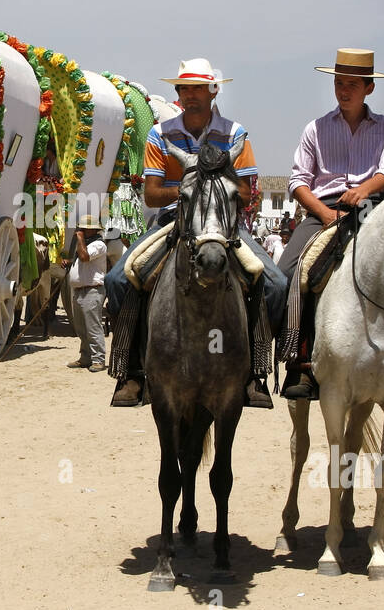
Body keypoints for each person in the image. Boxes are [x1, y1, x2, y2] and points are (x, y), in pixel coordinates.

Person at [104, 58, 286, 408]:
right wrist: (191, 190)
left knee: (276, 284)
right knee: (117, 279)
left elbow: (247, 193)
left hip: (223, 222)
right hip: (173, 220)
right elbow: (152, 193)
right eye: (184, 89)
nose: (190, 95)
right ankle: (133, 372)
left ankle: (254, 372)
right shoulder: (160, 132)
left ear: (213, 91)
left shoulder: (235, 134)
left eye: (197, 88)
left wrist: (213, 191)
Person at [275, 48, 384, 399]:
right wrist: (325, 213)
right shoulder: (315, 128)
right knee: (287, 272)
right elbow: (298, 181)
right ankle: (297, 362)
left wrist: (363, 191)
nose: (343, 91)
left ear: (369, 88)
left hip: (372, 208)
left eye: (351, 84)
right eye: (338, 83)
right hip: (322, 210)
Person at [65, 216, 107, 372]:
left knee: (93, 327)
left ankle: (98, 360)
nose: (80, 231)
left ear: (93, 230)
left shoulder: (98, 244)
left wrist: (80, 239)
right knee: (81, 328)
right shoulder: (85, 245)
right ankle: (85, 357)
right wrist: (70, 263)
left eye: (83, 229)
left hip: (92, 290)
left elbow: (84, 257)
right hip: (80, 291)